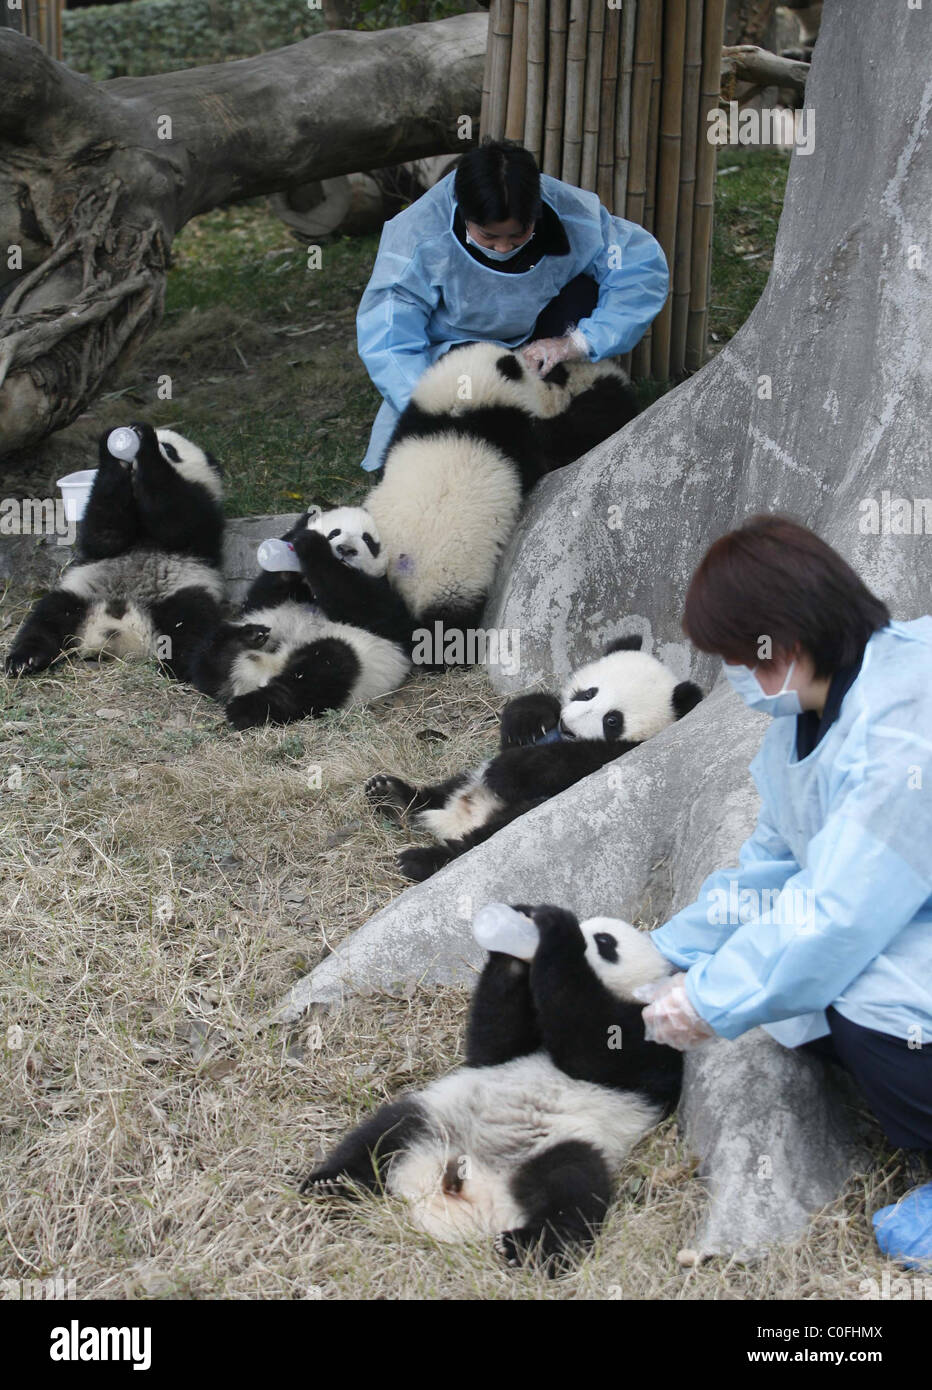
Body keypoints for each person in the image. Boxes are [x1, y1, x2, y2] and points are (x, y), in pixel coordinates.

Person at [641, 516, 932, 1181]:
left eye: (738, 657)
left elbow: (841, 912)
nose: (734, 676)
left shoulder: (905, 722)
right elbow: (773, 868)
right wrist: (667, 950)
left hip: (887, 919)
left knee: (870, 993)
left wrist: (710, 997)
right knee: (812, 993)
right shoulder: (801, 719)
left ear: (786, 642)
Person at [355, 138, 668, 471]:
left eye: (517, 235)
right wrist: (432, 408)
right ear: (463, 211)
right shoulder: (418, 234)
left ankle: (553, 424)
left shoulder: (569, 212)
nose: (503, 248)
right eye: (488, 236)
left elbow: (637, 267)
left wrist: (577, 342)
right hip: (457, 348)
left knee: (586, 287)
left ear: (536, 210)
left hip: (543, 335)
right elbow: (389, 339)